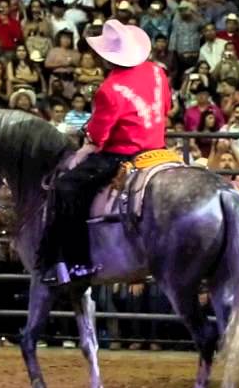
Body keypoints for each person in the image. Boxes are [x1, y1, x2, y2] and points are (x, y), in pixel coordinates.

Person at [42, 20, 172, 285]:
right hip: (158, 149)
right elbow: (166, 107)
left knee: (66, 187)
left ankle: (78, 263)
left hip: (122, 155)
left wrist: (88, 137)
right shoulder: (157, 73)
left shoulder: (109, 89)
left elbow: (100, 135)